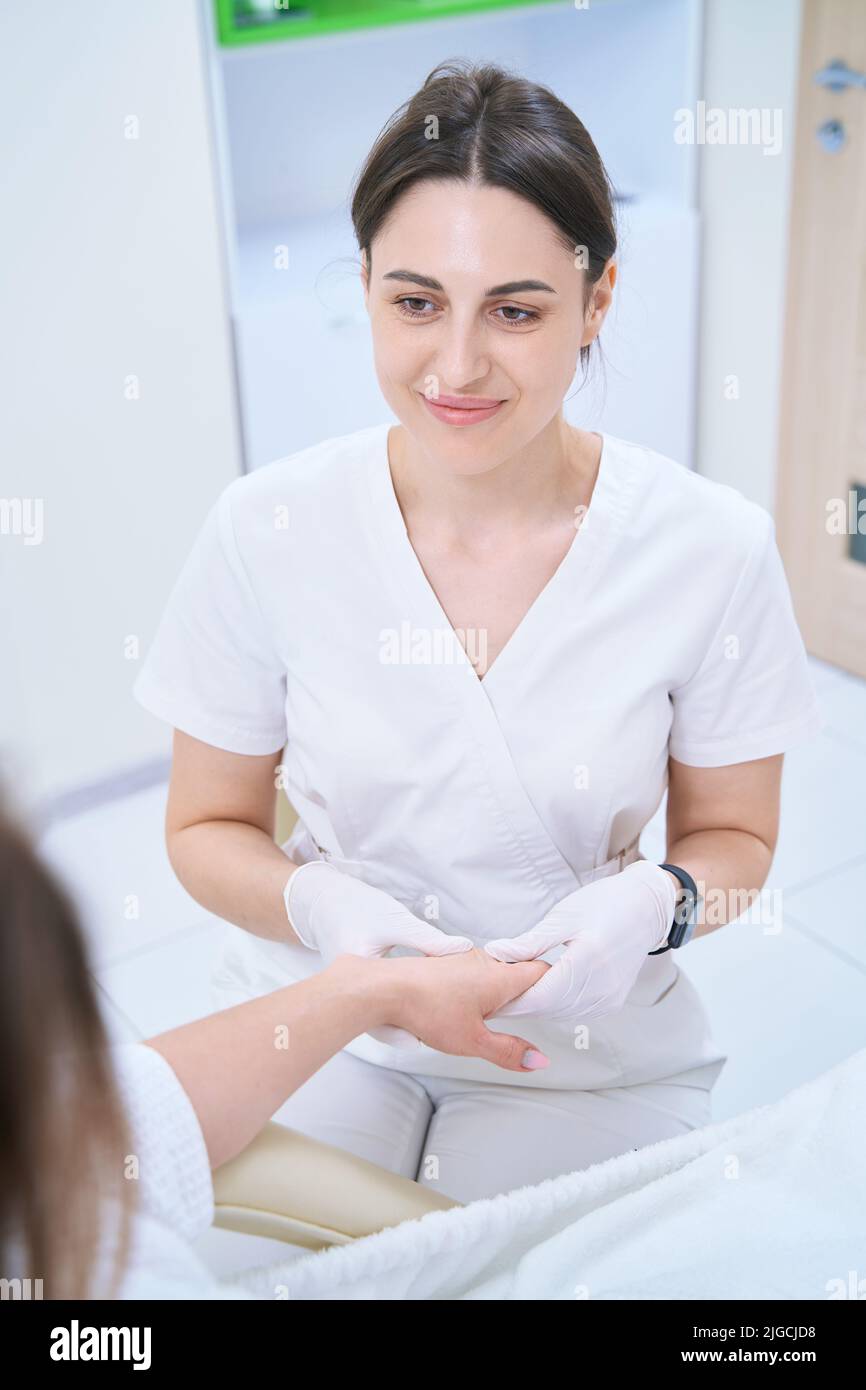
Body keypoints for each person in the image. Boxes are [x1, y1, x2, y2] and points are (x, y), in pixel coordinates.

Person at [132, 60, 823, 1205]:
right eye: (415, 302)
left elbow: (736, 843)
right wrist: (314, 905)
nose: (455, 366)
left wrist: (659, 904)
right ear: (362, 287)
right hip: (325, 1014)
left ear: (596, 300)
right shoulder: (267, 528)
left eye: (515, 309)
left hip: (584, 1050)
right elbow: (207, 823)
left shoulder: (709, 550)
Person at [0, 796, 549, 1299]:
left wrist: (374, 990)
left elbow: (115, 1116)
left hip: (576, 1065)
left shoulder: (45, 1156)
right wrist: (317, 908)